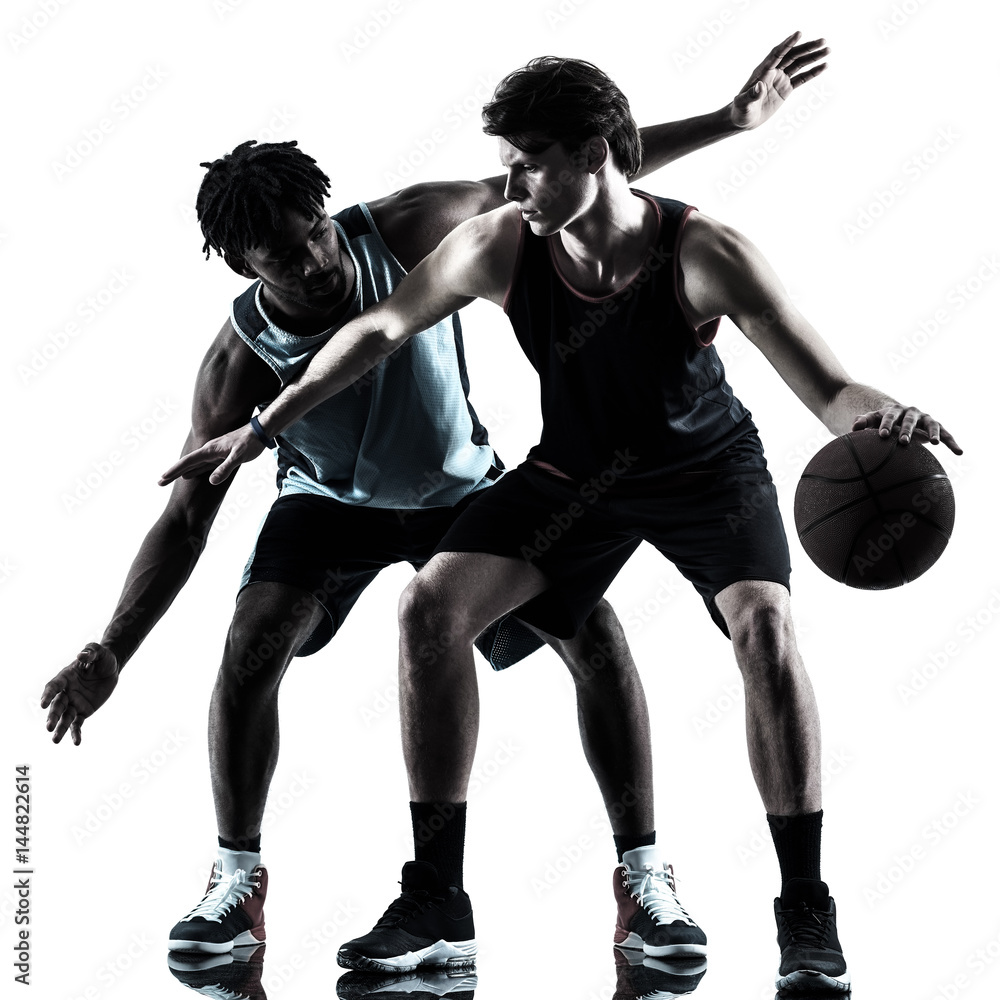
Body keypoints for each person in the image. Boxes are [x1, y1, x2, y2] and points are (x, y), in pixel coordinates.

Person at [165, 49, 963, 993]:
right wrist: (262, 428)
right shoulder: (502, 241)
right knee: (430, 608)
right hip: (575, 473)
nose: (511, 182)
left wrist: (881, 419)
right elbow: (379, 329)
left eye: (532, 160)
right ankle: (436, 898)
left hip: (706, 474)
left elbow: (829, 390)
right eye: (506, 161)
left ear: (598, 153)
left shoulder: (703, 251)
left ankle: (803, 911)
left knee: (765, 627)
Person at [40, 34, 829, 967]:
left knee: (595, 637)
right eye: (281, 263)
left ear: (327, 213)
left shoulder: (413, 225)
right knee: (251, 643)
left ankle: (644, 877)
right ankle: (236, 878)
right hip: (328, 504)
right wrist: (111, 650)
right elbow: (185, 518)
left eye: (315, 236)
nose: (312, 265)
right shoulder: (239, 352)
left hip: (458, 485)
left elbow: (576, 176)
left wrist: (729, 124)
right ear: (245, 270)